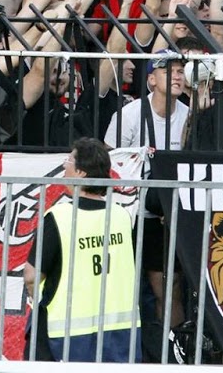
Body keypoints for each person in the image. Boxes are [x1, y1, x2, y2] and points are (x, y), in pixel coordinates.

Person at [25, 137, 139, 362]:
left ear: (81, 172)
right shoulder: (122, 216)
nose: (64, 166)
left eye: (69, 160)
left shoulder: (59, 217)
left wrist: (36, 296)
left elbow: (31, 276)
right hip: (118, 332)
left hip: (65, 332)